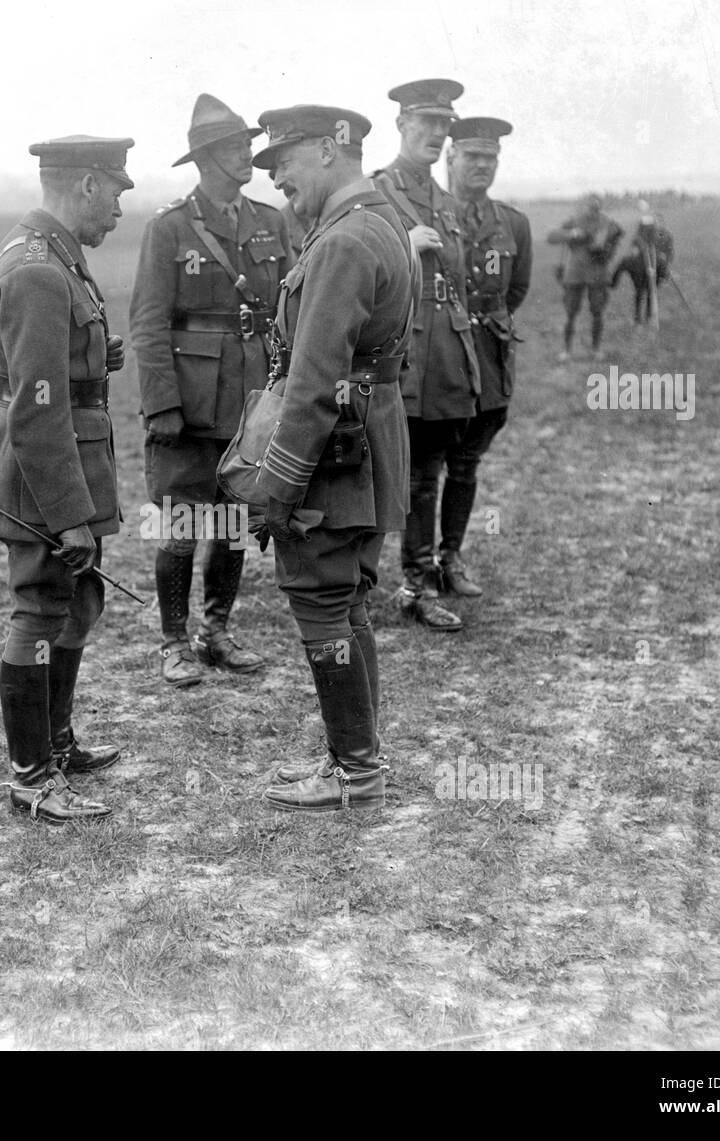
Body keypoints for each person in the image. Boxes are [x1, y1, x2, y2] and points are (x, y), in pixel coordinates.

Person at [246, 105, 416, 813]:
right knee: (347, 603)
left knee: (321, 603)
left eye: (283, 159)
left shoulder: (344, 241)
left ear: (326, 149)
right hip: (367, 441)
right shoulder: (379, 222)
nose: (276, 175)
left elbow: (313, 383)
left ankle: (354, 772)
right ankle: (355, 757)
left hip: (335, 454)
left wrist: (274, 488)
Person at [0, 135, 133, 824]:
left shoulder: (55, 255)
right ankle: (32, 777)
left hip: (66, 461)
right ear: (89, 185)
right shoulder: (39, 267)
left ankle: (56, 744)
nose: (122, 209)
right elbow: (36, 410)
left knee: (76, 602)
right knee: (40, 608)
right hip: (47, 472)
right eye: (118, 192)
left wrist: (95, 359)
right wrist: (67, 513)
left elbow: (46, 365)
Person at [130, 94, 290, 687]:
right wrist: (163, 404)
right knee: (180, 522)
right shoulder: (169, 227)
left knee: (236, 519)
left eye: (247, 145)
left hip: (250, 398)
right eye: (232, 148)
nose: (246, 155)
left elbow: (284, 309)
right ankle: (173, 641)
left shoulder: (270, 222)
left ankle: (215, 632)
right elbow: (147, 323)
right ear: (203, 158)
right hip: (192, 400)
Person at [372, 79, 479, 632]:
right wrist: (402, 246)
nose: (436, 135)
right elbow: (356, 270)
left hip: (444, 356)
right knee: (400, 475)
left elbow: (460, 280)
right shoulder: (377, 192)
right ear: (401, 125)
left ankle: (422, 575)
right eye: (426, 124)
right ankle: (409, 585)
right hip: (402, 352)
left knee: (430, 469)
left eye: (444, 126)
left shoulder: (446, 202)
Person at [441, 116, 531, 598]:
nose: (482, 165)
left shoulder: (512, 223)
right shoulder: (430, 216)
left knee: (467, 462)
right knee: (424, 464)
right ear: (450, 157)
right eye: (472, 156)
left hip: (490, 358)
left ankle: (450, 557)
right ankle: (417, 570)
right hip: (439, 354)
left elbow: (514, 291)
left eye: (490, 158)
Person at [548, 193, 622, 360]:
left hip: (598, 273)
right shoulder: (574, 220)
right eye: (590, 206)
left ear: (600, 207)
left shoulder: (608, 222)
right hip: (575, 273)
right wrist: (572, 234)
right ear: (585, 206)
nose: (593, 210)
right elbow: (552, 237)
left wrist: (607, 248)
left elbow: (618, 237)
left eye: (596, 207)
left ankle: (595, 350)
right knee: (570, 313)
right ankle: (567, 350)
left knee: (597, 312)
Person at [612, 199, 674, 324]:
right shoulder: (642, 224)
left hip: (653, 258)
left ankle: (648, 316)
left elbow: (666, 251)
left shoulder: (663, 233)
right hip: (642, 256)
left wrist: (663, 260)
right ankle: (637, 317)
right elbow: (637, 239)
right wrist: (636, 246)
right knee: (639, 290)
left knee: (652, 290)